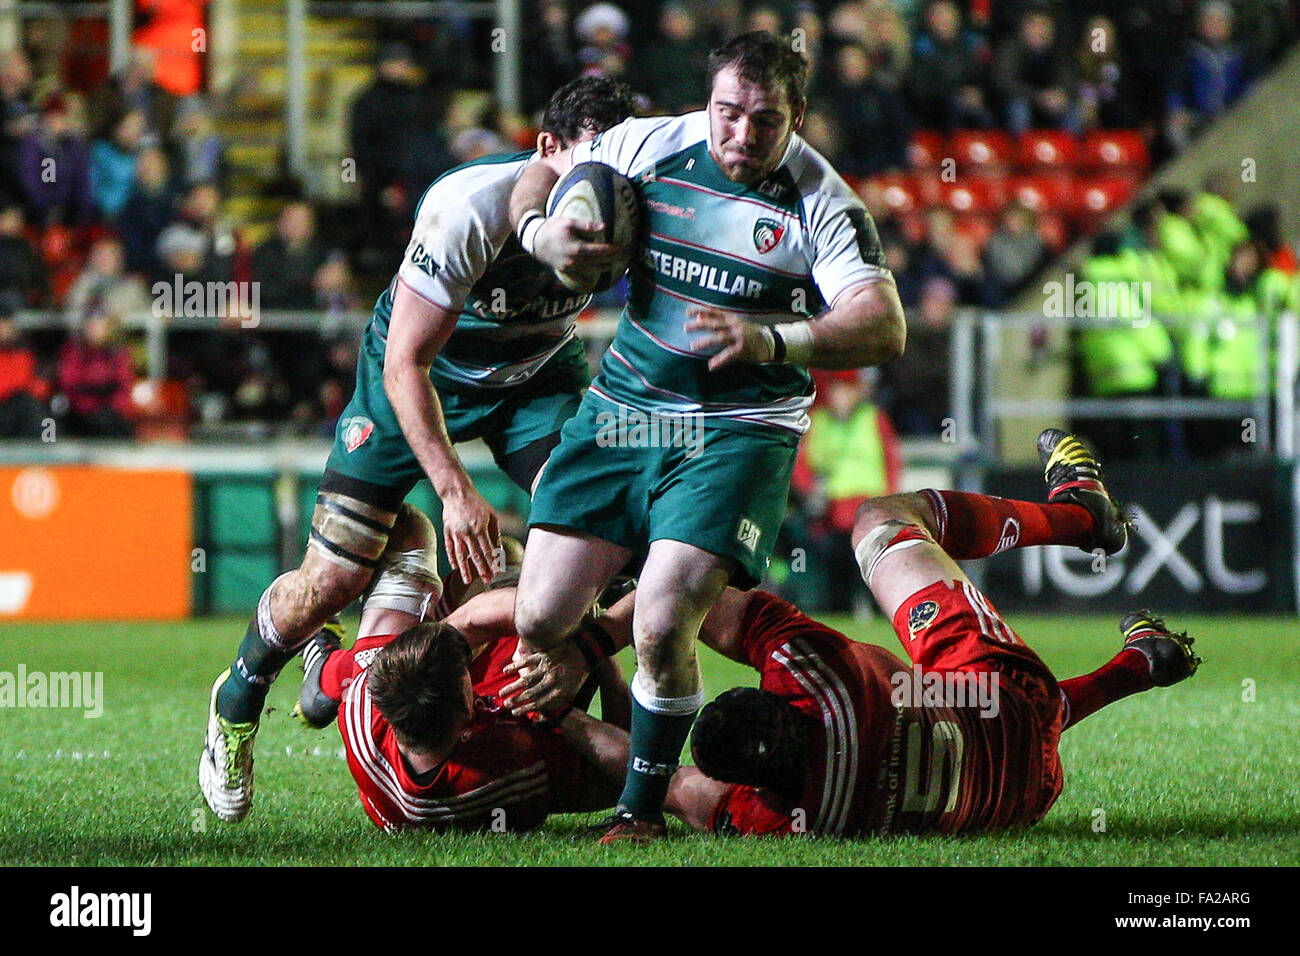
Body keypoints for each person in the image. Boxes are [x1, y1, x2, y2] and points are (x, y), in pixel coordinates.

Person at [198, 77, 637, 823]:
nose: (595, 196)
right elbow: (407, 363)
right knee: (332, 580)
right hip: (418, 368)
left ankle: (591, 706)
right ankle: (238, 697)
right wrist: (458, 491)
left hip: (535, 378)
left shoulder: (644, 204)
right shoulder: (467, 207)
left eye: (617, 169)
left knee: (606, 540)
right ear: (545, 151)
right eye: (581, 171)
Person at [506, 31, 905, 842]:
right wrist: (541, 233)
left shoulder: (821, 202)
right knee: (539, 620)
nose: (741, 136)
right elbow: (540, 171)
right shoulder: (653, 144)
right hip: (625, 408)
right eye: (728, 113)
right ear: (708, 102)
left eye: (764, 121)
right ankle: (600, 675)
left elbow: (884, 326)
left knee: (662, 621)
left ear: (798, 117)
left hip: (738, 429)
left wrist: (775, 340)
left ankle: (639, 811)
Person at [550, 429, 1201, 836]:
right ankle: (1080, 519)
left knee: (994, 728)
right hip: (1006, 692)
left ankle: (1143, 663)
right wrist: (597, 635)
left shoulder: (780, 821)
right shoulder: (816, 678)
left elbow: (664, 779)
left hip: (1022, 792)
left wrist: (560, 721)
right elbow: (701, 602)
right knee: (883, 522)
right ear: (779, 698)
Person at [289, 504, 632, 832]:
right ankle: (577, 598)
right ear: (470, 704)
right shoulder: (507, 757)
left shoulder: (368, 696)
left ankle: (320, 662)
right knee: (513, 572)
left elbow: (467, 623)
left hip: (390, 703)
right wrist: (596, 655)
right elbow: (621, 781)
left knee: (470, 548)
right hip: (493, 714)